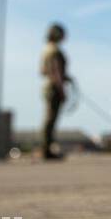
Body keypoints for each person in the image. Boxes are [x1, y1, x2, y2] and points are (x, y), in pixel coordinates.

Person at [39, 23, 72, 160]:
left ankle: (47, 149)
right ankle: (47, 150)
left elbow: (42, 71)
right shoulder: (54, 50)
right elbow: (55, 72)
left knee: (50, 119)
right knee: (51, 120)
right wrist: (62, 89)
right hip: (53, 88)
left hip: (48, 87)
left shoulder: (46, 49)